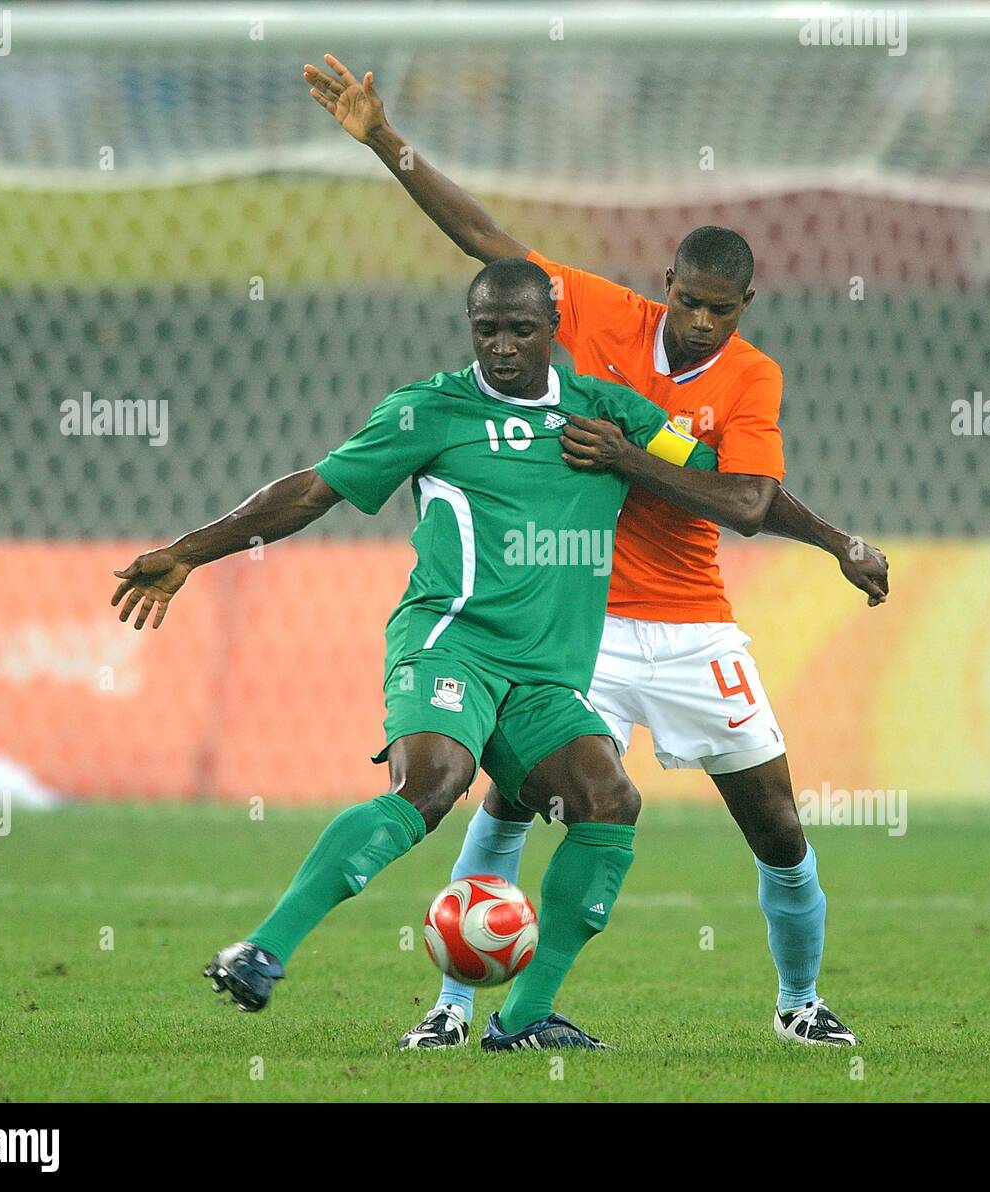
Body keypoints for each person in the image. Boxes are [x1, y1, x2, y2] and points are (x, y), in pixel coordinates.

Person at [305, 57, 890, 1048]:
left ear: (747, 304)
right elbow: (491, 244)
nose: (701, 323)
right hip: (587, 628)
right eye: (689, 302)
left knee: (779, 825)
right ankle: (451, 1009)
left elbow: (748, 500)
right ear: (666, 288)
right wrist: (385, 143)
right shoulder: (605, 316)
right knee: (516, 801)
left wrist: (824, 536)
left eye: (722, 308)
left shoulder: (751, 378)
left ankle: (798, 1002)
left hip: (697, 627)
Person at [111, 259, 723, 1050]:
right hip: (449, 646)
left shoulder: (608, 412)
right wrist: (192, 552)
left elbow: (713, 480)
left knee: (610, 804)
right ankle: (262, 950)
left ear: (553, 331)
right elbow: (313, 489)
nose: (502, 346)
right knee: (434, 782)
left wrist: (633, 457)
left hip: (542, 677)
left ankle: (525, 1018)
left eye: (521, 329)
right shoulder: (428, 410)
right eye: (487, 329)